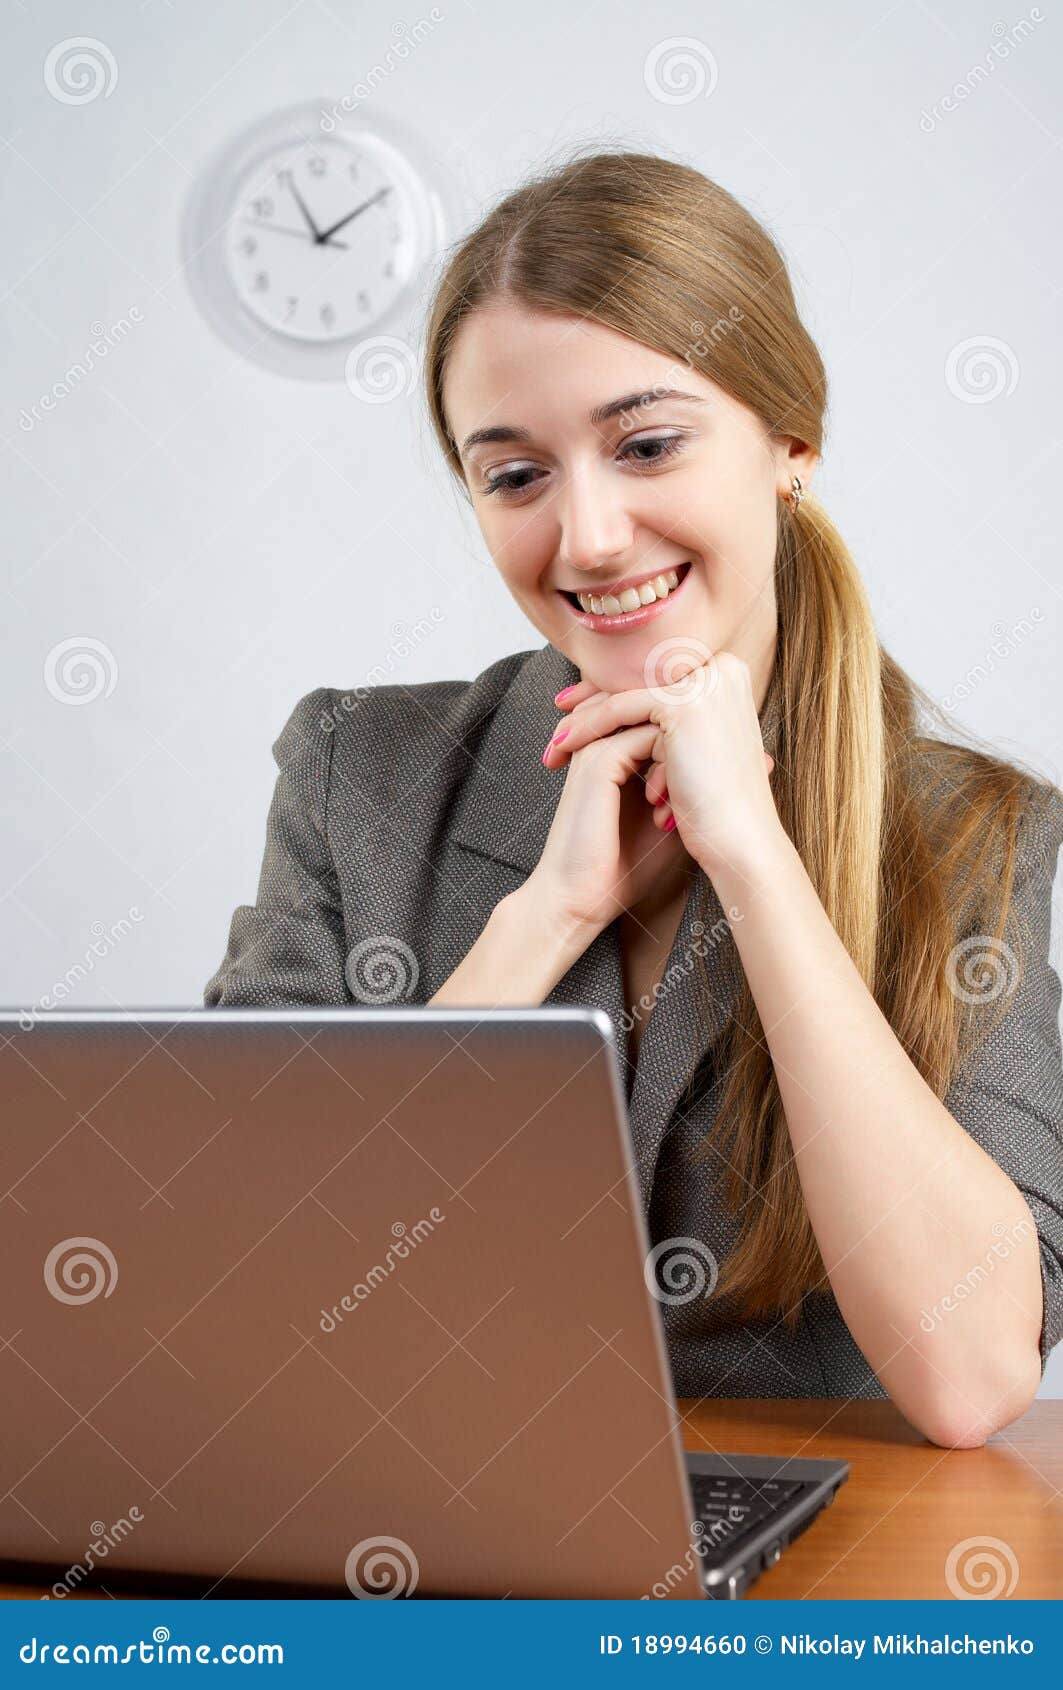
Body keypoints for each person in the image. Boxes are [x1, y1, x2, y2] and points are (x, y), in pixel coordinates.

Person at [205, 147, 1063, 1448]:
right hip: (436, 1550)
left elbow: (970, 1373)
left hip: (819, 1592)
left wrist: (759, 862)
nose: (590, 534)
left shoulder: (970, 829)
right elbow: (236, 1301)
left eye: (648, 443)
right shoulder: (354, 772)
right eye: (515, 474)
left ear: (790, 443)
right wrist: (539, 924)